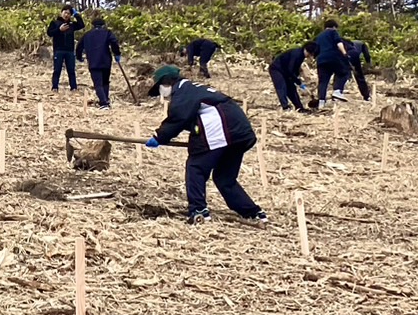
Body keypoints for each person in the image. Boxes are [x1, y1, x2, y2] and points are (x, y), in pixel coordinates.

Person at [144, 65, 266, 225]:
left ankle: (198, 211)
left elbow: (179, 117)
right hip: (240, 132)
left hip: (222, 129)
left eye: (160, 87)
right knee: (224, 178)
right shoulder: (196, 89)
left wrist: (159, 136)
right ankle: (253, 213)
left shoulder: (184, 91)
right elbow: (189, 119)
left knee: (196, 167)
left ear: (167, 82)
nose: (162, 93)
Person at [77, 17, 122, 109]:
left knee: (98, 83)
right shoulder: (107, 33)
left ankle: (104, 102)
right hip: (106, 61)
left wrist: (79, 57)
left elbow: (79, 47)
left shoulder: (87, 35)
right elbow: (114, 43)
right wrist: (117, 54)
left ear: (93, 25)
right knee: (105, 81)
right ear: (103, 25)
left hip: (93, 61)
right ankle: (105, 100)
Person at [270, 42, 318, 112]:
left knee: (292, 89)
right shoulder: (296, 54)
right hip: (276, 69)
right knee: (281, 87)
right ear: (308, 51)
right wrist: (298, 82)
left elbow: (295, 69)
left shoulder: (301, 55)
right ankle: (285, 107)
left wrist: (297, 80)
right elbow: (290, 69)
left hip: (286, 71)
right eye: (311, 55)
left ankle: (299, 107)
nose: (311, 57)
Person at [312, 18, 350, 105]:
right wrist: (345, 54)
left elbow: (315, 50)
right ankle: (337, 91)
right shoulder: (333, 32)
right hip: (332, 57)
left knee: (323, 81)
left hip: (321, 60)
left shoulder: (318, 37)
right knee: (343, 72)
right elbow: (339, 43)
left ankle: (321, 102)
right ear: (333, 27)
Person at [46, 7, 85, 91]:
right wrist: (59, 30)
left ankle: (73, 87)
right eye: (65, 12)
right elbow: (49, 33)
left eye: (69, 13)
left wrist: (76, 15)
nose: (66, 15)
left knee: (71, 70)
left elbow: (81, 25)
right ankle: (55, 87)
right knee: (57, 69)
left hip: (70, 50)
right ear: (61, 12)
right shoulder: (55, 23)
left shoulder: (72, 24)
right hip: (58, 50)